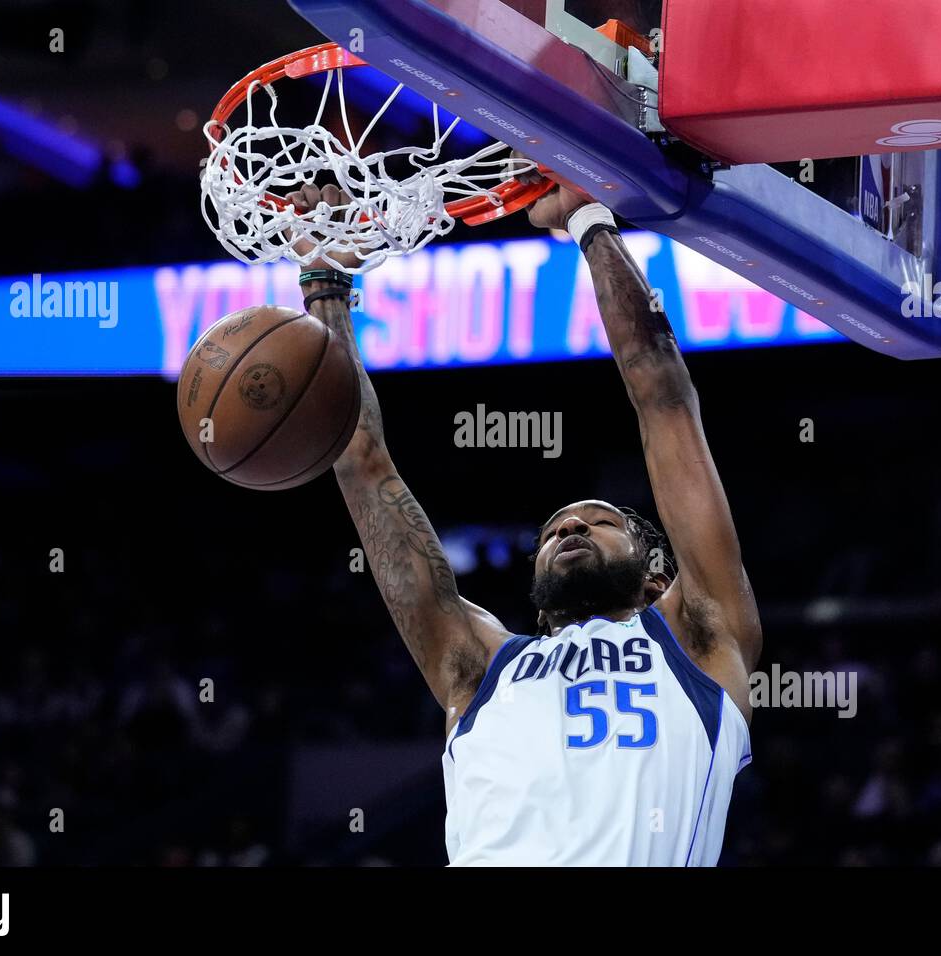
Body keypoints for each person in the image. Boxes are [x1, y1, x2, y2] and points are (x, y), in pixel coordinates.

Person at [289, 175, 761, 866]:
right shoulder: (479, 666)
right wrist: (325, 283)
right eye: (552, 532)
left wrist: (590, 223)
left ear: (656, 567)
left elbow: (661, 392)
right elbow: (360, 460)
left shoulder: (699, 636)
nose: (567, 531)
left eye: (597, 520)